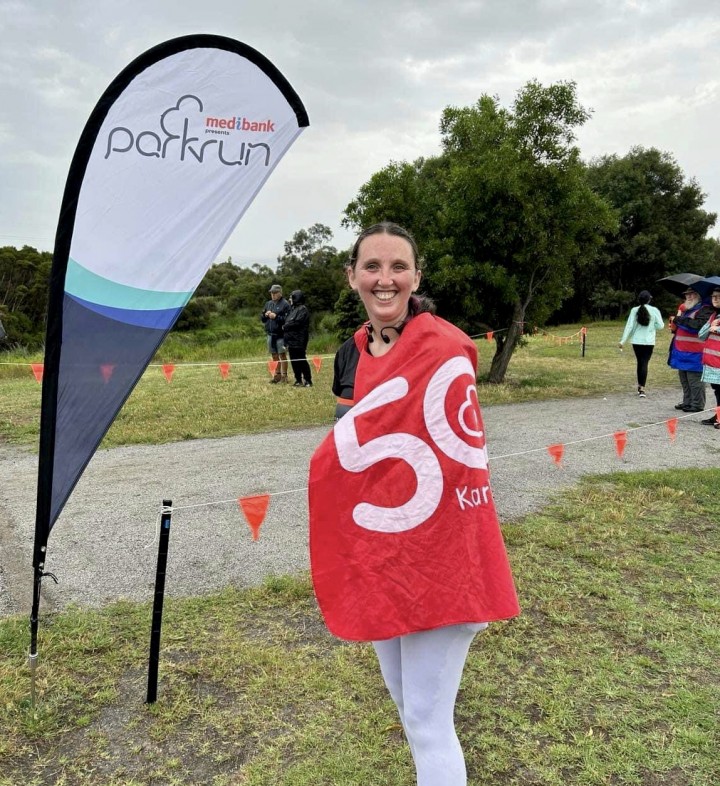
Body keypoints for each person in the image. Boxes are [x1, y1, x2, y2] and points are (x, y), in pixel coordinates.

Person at [308, 222, 519, 786]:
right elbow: (357, 450)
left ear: (416, 277)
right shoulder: (354, 351)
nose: (385, 279)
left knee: (428, 722)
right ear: (352, 276)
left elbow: (460, 462)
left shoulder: (443, 347)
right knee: (408, 707)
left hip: (443, 561)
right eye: (372, 266)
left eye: (398, 266)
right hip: (384, 554)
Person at [668, 287, 714, 412]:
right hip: (682, 352)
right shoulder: (687, 310)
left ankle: (697, 404)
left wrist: (678, 319)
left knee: (695, 381)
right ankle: (687, 402)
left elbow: (698, 326)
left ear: (699, 295)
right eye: (686, 294)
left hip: (695, 353)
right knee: (684, 380)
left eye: (691, 294)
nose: (688, 297)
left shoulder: (705, 309)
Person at [618, 290, 664, 397]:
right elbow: (661, 325)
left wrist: (623, 341)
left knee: (640, 362)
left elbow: (629, 326)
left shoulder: (634, 310)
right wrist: (652, 326)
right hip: (649, 342)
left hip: (636, 341)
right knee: (644, 363)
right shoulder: (654, 310)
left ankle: (640, 387)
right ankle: (642, 387)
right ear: (649, 299)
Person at [698, 285, 720, 428]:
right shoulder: (714, 315)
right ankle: (718, 415)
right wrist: (711, 325)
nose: (715, 299)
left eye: (718, 297)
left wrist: (717, 329)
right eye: (713, 296)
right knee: (717, 389)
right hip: (713, 362)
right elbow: (701, 335)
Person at [261, 284, 290, 383]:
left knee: (282, 355)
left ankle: (284, 376)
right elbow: (262, 319)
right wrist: (265, 315)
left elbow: (287, 319)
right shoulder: (268, 303)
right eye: (271, 293)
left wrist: (276, 317)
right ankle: (277, 376)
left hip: (281, 335)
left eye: (275, 293)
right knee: (274, 355)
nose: (272, 295)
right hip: (270, 334)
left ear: (280, 293)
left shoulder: (285, 304)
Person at [283, 289, 313, 387]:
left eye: (291, 298)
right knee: (294, 361)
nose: (289, 299)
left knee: (301, 360)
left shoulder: (303, 309)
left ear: (296, 298)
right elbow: (287, 321)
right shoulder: (292, 309)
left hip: (299, 339)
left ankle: (308, 380)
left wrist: (286, 326)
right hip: (291, 340)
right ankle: (298, 380)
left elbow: (297, 322)